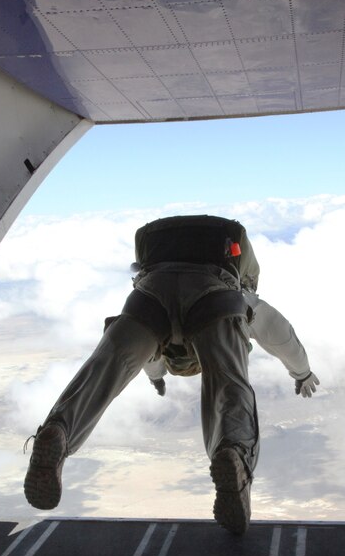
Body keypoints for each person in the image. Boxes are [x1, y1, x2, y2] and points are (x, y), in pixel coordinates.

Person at [24, 215, 319, 534]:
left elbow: (136, 359)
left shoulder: (160, 347)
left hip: (150, 290)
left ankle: (59, 431)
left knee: (104, 369)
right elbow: (280, 333)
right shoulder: (242, 299)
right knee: (230, 386)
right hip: (212, 289)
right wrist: (302, 372)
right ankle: (234, 453)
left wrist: (156, 378)